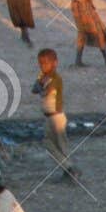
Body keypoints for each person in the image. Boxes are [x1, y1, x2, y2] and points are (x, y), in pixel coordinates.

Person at [31, 49, 77, 183]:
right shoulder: (43, 76)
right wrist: (40, 83)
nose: (43, 66)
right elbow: (34, 90)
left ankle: (70, 170)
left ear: (55, 63)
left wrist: (40, 84)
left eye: (46, 63)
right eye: (41, 63)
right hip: (49, 117)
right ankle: (68, 168)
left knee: (60, 145)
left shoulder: (56, 78)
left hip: (57, 117)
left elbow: (44, 91)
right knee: (49, 144)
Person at [70, 0, 106, 67]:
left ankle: (78, 61)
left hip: (82, 7)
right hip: (82, 8)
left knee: (82, 33)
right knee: (97, 32)